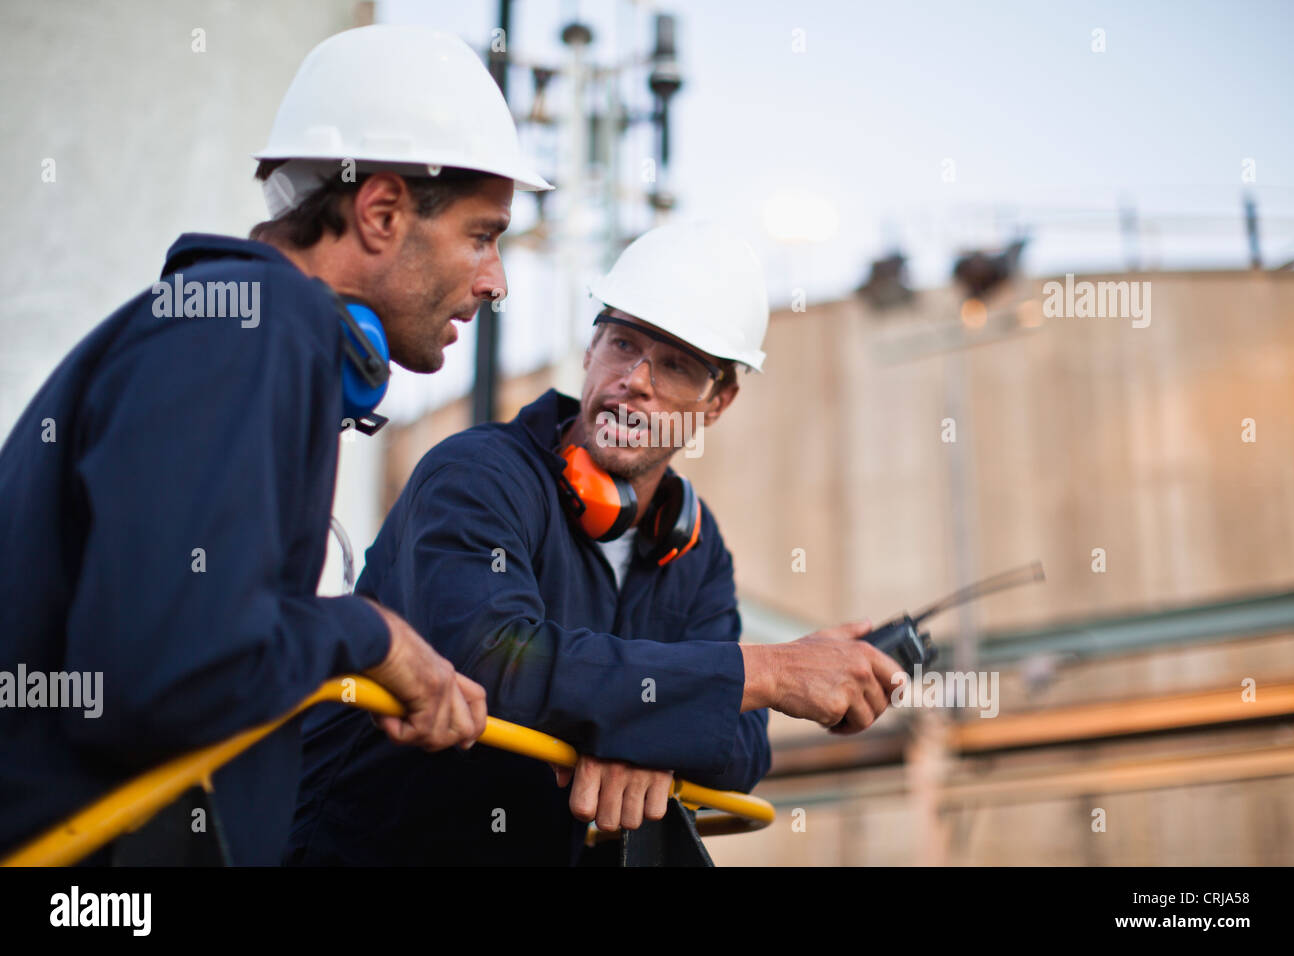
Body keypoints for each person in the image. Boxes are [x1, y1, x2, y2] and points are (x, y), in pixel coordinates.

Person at [0, 24, 550, 864]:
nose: (497, 279)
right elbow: (164, 677)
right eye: (483, 234)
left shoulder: (230, 325)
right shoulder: (256, 327)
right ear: (382, 211)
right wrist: (374, 637)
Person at [287, 222, 907, 866]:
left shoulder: (696, 550)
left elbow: (744, 749)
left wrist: (634, 728)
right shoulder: (477, 475)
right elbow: (491, 660)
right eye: (622, 343)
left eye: (675, 366)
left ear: (718, 401)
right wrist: (769, 672)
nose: (636, 380)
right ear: (589, 352)